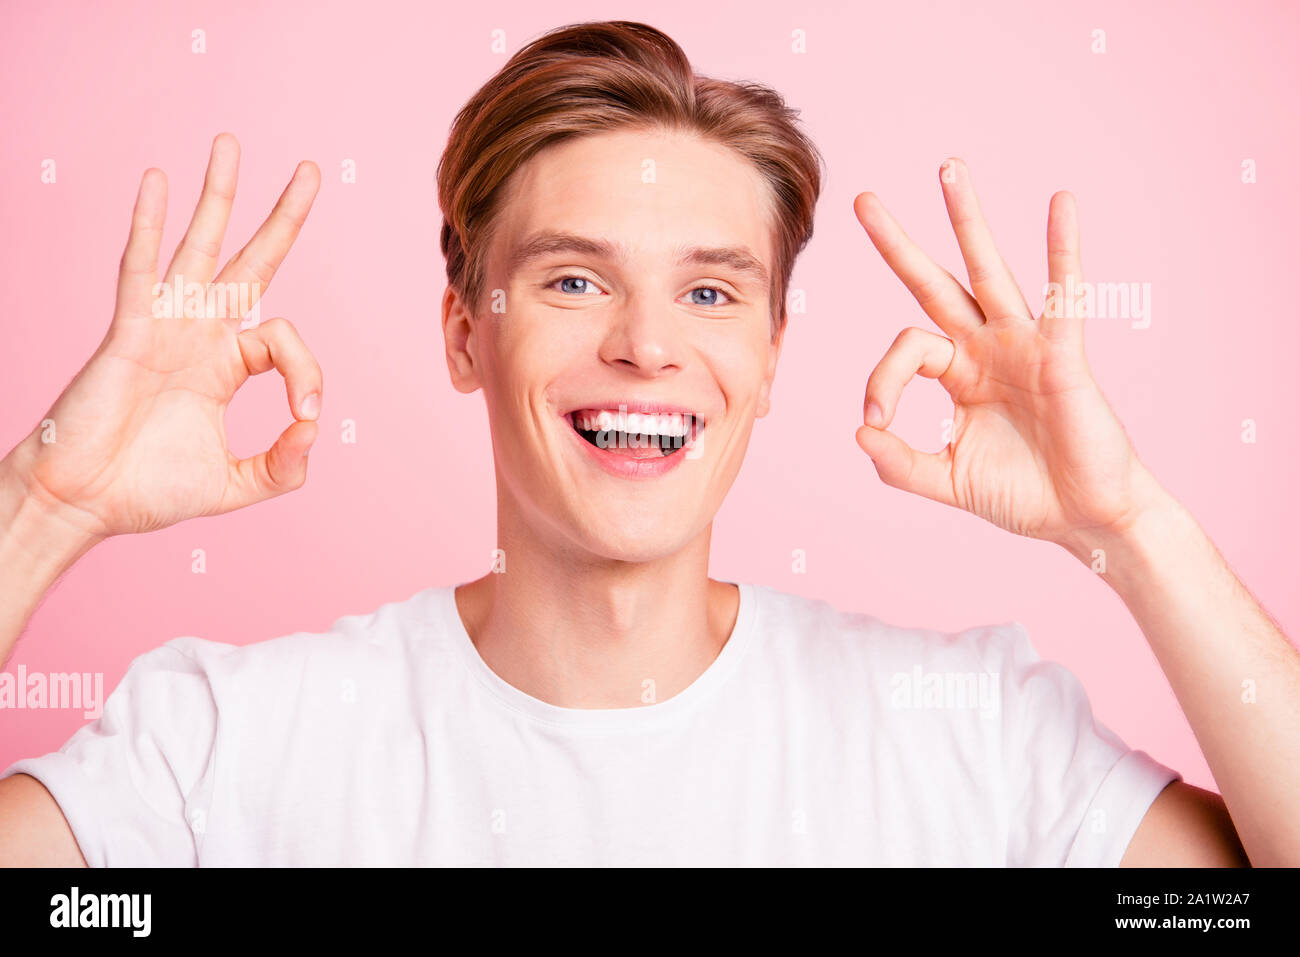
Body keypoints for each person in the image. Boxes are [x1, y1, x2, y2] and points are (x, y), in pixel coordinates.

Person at [0, 20, 1290, 867]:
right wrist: (46, 503)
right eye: (572, 282)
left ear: (772, 359)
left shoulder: (967, 738)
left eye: (713, 292)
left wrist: (1129, 528)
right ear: (465, 336)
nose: (647, 346)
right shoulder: (230, 751)